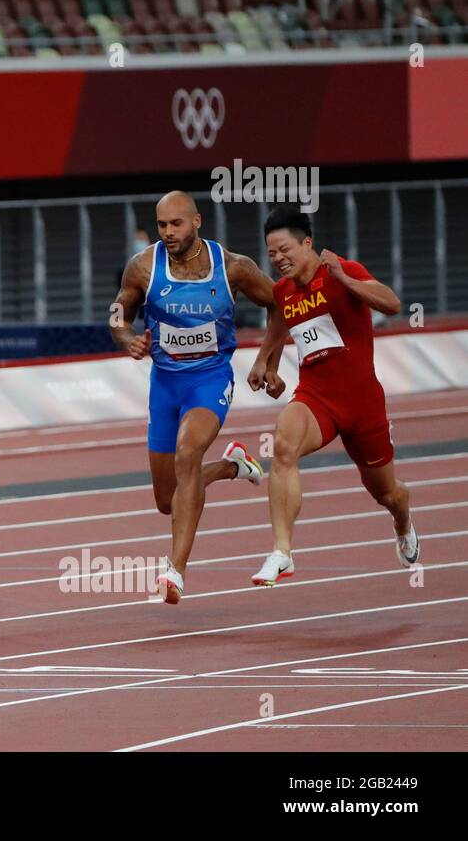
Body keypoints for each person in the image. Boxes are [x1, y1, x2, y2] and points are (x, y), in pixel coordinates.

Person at [108, 191, 278, 603]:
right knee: (168, 500)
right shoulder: (144, 267)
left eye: (176, 224)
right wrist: (127, 337)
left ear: (197, 221)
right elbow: (117, 311)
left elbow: (281, 305)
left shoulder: (234, 268)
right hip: (165, 385)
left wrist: (266, 362)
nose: (168, 232)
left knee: (188, 454)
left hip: (210, 379)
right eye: (162, 224)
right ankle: (232, 466)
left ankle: (175, 571)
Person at [246, 207, 418, 585]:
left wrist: (344, 278)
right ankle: (281, 552)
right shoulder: (281, 291)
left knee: (386, 493)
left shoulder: (343, 271)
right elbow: (280, 322)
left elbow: (391, 303)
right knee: (284, 445)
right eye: (271, 253)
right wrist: (265, 362)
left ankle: (402, 521)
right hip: (316, 397)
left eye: (285, 249)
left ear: (308, 243)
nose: (278, 259)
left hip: (363, 405)